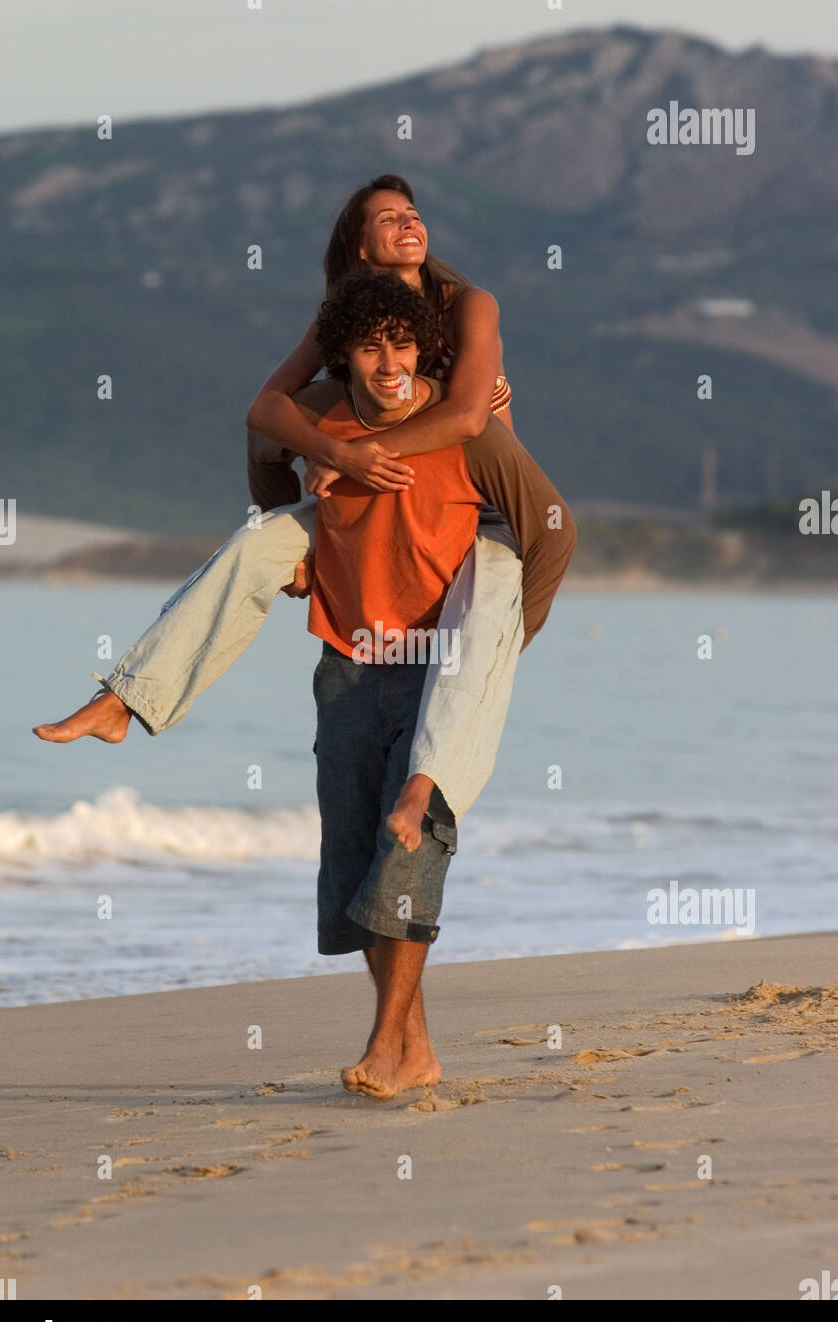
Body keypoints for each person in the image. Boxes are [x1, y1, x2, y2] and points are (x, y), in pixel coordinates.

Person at [32, 174, 535, 845]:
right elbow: (264, 412)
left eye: (411, 212)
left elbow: (469, 417)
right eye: (387, 218)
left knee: (479, 629)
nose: (407, 222)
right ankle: (125, 699)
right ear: (360, 252)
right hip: (369, 498)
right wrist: (325, 470)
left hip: (471, 504)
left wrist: (355, 453)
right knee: (256, 544)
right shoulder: (346, 325)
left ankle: (427, 786)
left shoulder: (468, 305)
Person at [261, 272, 574, 1097]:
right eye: (370, 346)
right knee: (361, 859)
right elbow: (260, 440)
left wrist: (508, 640)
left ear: (424, 350)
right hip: (349, 666)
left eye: (402, 343)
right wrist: (292, 548)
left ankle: (383, 1043)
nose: (388, 361)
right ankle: (416, 1049)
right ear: (346, 357)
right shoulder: (324, 422)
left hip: (438, 666)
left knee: (413, 838)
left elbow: (551, 529)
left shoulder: (466, 432)